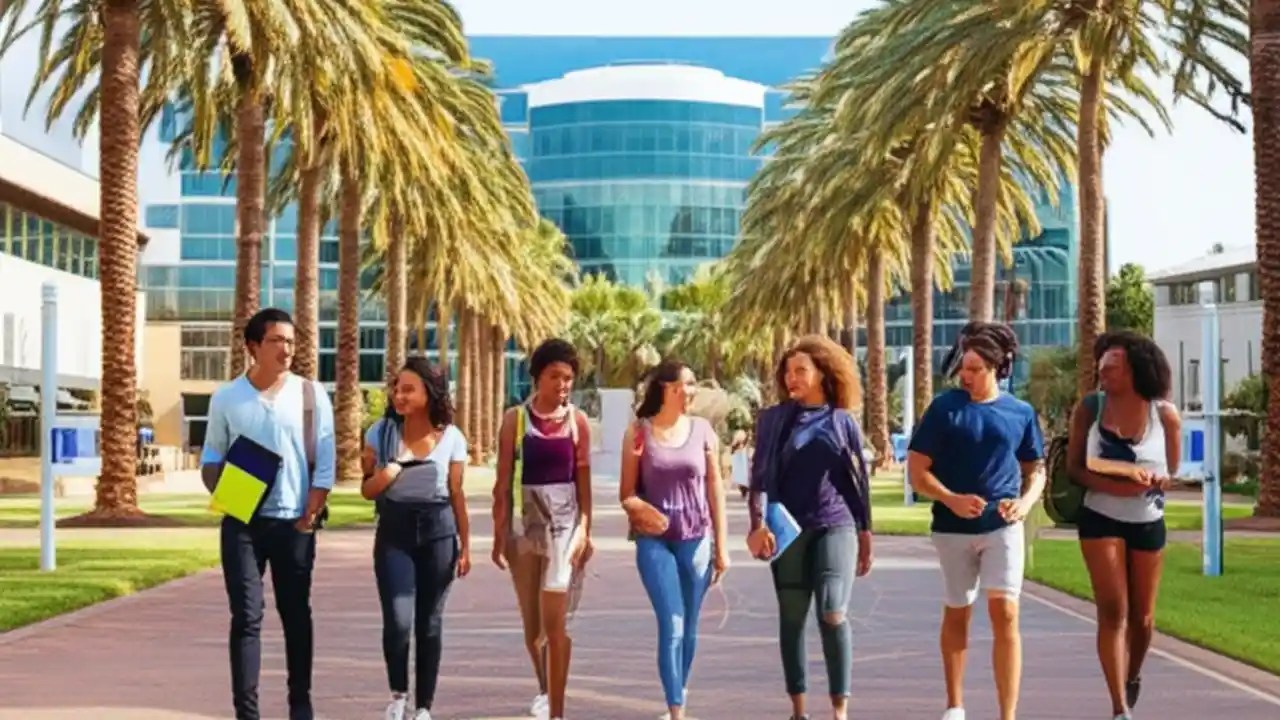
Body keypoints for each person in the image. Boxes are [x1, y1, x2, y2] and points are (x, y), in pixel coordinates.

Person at [200, 308, 336, 720]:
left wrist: (311, 510)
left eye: (292, 341)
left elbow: (325, 461)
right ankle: (247, 712)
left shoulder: (311, 394)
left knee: (296, 613)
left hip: (294, 523)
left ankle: (300, 703)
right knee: (246, 616)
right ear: (253, 346)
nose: (287, 349)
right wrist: (225, 486)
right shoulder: (226, 398)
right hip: (242, 524)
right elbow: (211, 455)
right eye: (277, 341)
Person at [906, 322, 1046, 720]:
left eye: (974, 368)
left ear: (997, 370)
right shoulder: (945, 409)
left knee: (1005, 612)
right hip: (952, 530)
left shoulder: (1019, 413)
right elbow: (917, 471)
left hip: (1002, 526)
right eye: (963, 367)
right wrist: (950, 499)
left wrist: (1024, 502)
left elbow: (1036, 469)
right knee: (958, 609)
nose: (965, 375)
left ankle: (1008, 714)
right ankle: (955, 705)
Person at [745, 334, 874, 720]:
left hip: (836, 525)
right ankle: (798, 710)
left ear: (822, 373)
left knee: (833, 612)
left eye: (801, 370)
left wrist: (866, 534)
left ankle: (840, 710)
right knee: (792, 617)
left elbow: (858, 483)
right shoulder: (773, 421)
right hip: (788, 531)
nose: (792, 378)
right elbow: (758, 478)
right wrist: (756, 524)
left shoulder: (841, 422)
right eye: (787, 372)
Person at [1067, 331, 1180, 720]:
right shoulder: (1090, 407)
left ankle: (1132, 674)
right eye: (1101, 367)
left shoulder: (1163, 414)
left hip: (1148, 520)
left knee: (1143, 618)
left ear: (1134, 370)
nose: (1104, 374)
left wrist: (1160, 481)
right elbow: (1075, 468)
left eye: (1112, 368)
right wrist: (1117, 486)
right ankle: (1119, 709)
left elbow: (1174, 470)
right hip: (1099, 516)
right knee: (1113, 610)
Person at [361, 357, 472, 720]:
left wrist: (466, 546)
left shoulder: (452, 438)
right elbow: (367, 489)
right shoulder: (380, 433)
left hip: (439, 532)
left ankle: (424, 706)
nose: (399, 395)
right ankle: (398, 695)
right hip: (394, 532)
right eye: (397, 388)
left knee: (430, 622)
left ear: (429, 393)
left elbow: (457, 494)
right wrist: (390, 471)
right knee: (398, 620)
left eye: (408, 389)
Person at [618, 360, 730, 720]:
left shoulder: (703, 430)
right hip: (655, 541)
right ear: (667, 388)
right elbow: (627, 493)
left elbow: (716, 492)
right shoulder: (639, 432)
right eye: (688, 383)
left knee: (691, 628)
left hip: (696, 539)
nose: (693, 391)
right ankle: (676, 711)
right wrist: (642, 511)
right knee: (673, 623)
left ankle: (679, 693)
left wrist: (723, 549)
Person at [491, 338, 594, 720]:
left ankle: (556, 709)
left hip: (565, 530)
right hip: (526, 530)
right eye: (555, 376)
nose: (563, 384)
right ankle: (544, 688)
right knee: (532, 623)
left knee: (555, 621)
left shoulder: (577, 423)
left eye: (568, 378)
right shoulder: (515, 420)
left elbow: (583, 485)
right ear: (537, 377)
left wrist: (586, 529)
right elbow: (502, 482)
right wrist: (500, 532)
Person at [730, 429, 751, 499]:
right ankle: (744, 489)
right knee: (742, 477)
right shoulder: (738, 446)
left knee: (742, 477)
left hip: (741, 461)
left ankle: (744, 489)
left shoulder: (738, 446)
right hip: (740, 460)